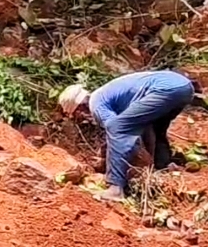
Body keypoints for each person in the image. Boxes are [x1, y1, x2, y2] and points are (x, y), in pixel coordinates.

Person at [59, 70, 195, 202]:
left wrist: (114, 159)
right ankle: (164, 166)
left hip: (164, 90)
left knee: (117, 128)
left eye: (76, 114)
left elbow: (117, 131)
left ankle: (115, 188)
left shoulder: (96, 103)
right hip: (184, 87)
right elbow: (137, 127)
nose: (81, 118)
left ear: (79, 108)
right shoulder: (106, 94)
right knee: (155, 126)